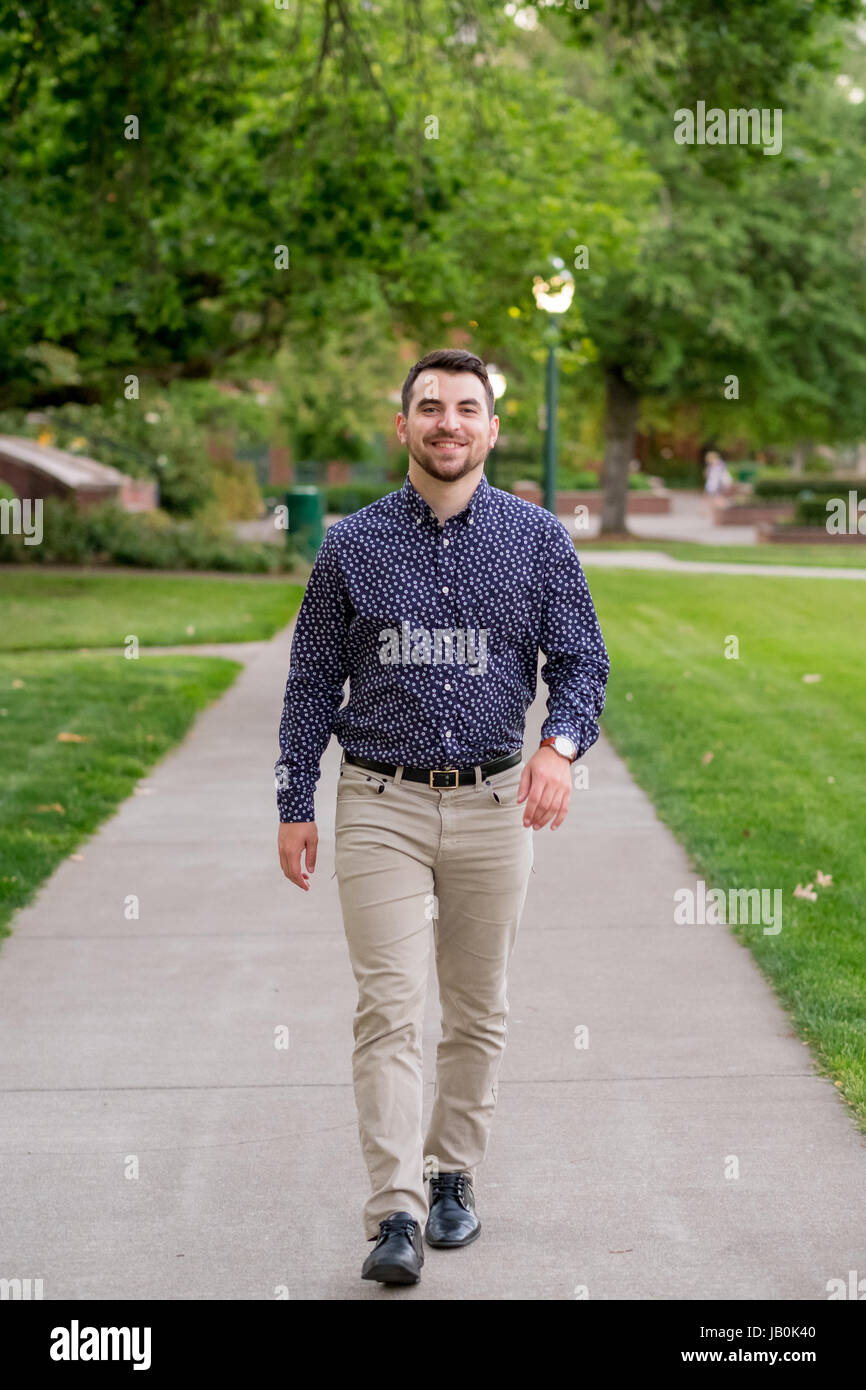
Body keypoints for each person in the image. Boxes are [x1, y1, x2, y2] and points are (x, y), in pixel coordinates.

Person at [275, 348, 610, 1285]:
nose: (448, 423)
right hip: (378, 799)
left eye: (467, 408)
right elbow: (310, 681)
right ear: (404, 427)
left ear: (493, 429)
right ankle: (394, 1213)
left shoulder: (540, 541)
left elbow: (584, 663)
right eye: (431, 407)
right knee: (388, 1008)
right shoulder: (351, 545)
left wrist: (560, 747)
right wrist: (294, 799)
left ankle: (453, 1171)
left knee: (476, 1005)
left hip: (498, 803)